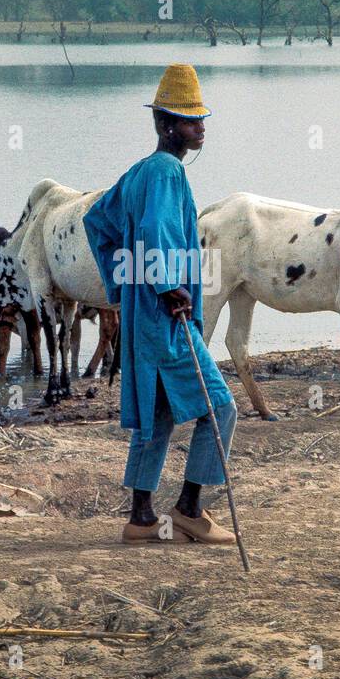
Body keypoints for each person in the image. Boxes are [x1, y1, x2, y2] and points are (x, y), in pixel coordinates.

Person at [83, 64, 237, 546]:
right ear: (167, 125)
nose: (201, 127)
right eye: (191, 121)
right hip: (168, 318)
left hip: (141, 317)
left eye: (201, 118)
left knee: (160, 413)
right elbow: (153, 232)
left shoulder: (138, 172)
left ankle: (141, 519)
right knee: (220, 407)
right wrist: (168, 286)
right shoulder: (168, 172)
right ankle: (190, 508)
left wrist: (123, 284)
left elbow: (97, 222)